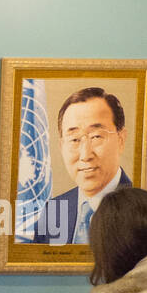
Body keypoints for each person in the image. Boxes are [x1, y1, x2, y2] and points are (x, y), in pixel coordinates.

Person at [29, 87, 132, 246]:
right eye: (75, 140)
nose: (85, 155)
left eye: (96, 136)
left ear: (121, 139)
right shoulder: (54, 210)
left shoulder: (141, 210)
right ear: (61, 146)